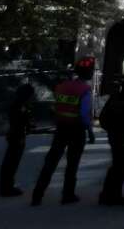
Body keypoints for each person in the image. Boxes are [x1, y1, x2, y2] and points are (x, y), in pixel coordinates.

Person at [31, 56, 97, 206]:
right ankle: (68, 194)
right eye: (92, 71)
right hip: (77, 130)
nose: (93, 73)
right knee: (72, 164)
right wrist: (90, 132)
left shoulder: (61, 86)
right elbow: (84, 114)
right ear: (87, 73)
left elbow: (56, 107)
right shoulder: (85, 90)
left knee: (51, 161)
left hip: (61, 128)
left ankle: (37, 194)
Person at [98, 68, 124, 206]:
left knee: (117, 165)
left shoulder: (114, 99)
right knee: (121, 165)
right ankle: (113, 195)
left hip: (115, 136)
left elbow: (103, 119)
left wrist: (111, 130)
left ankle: (107, 194)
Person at [0, 79, 35, 197]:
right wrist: (26, 127)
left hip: (16, 135)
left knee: (10, 163)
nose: (31, 98)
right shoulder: (20, 106)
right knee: (11, 163)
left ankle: (6, 186)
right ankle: (7, 188)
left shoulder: (19, 105)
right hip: (17, 136)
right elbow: (19, 122)